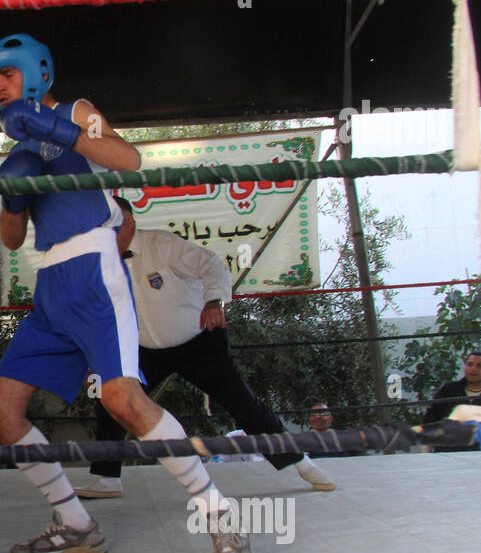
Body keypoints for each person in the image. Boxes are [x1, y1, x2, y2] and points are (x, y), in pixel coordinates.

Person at [0, 34, 253, 553]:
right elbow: (12, 239)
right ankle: (75, 525)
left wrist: (60, 130)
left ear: (36, 71)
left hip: (95, 271)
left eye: (6, 74)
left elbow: (128, 159)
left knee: (122, 400)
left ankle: (222, 519)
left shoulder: (75, 111)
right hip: (51, 285)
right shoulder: (17, 152)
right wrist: (12, 194)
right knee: (1, 413)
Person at [79, 198, 335, 498]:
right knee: (113, 399)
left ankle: (301, 462)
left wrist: (215, 300)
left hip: (197, 339)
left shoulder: (161, 243)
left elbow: (211, 264)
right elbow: (101, 313)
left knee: (243, 405)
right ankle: (106, 478)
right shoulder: (100, 261)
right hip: (143, 348)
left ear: (130, 221)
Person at [422, 351, 481, 423]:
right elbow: (430, 419)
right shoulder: (448, 390)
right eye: (470, 364)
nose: (473, 369)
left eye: (479, 366)